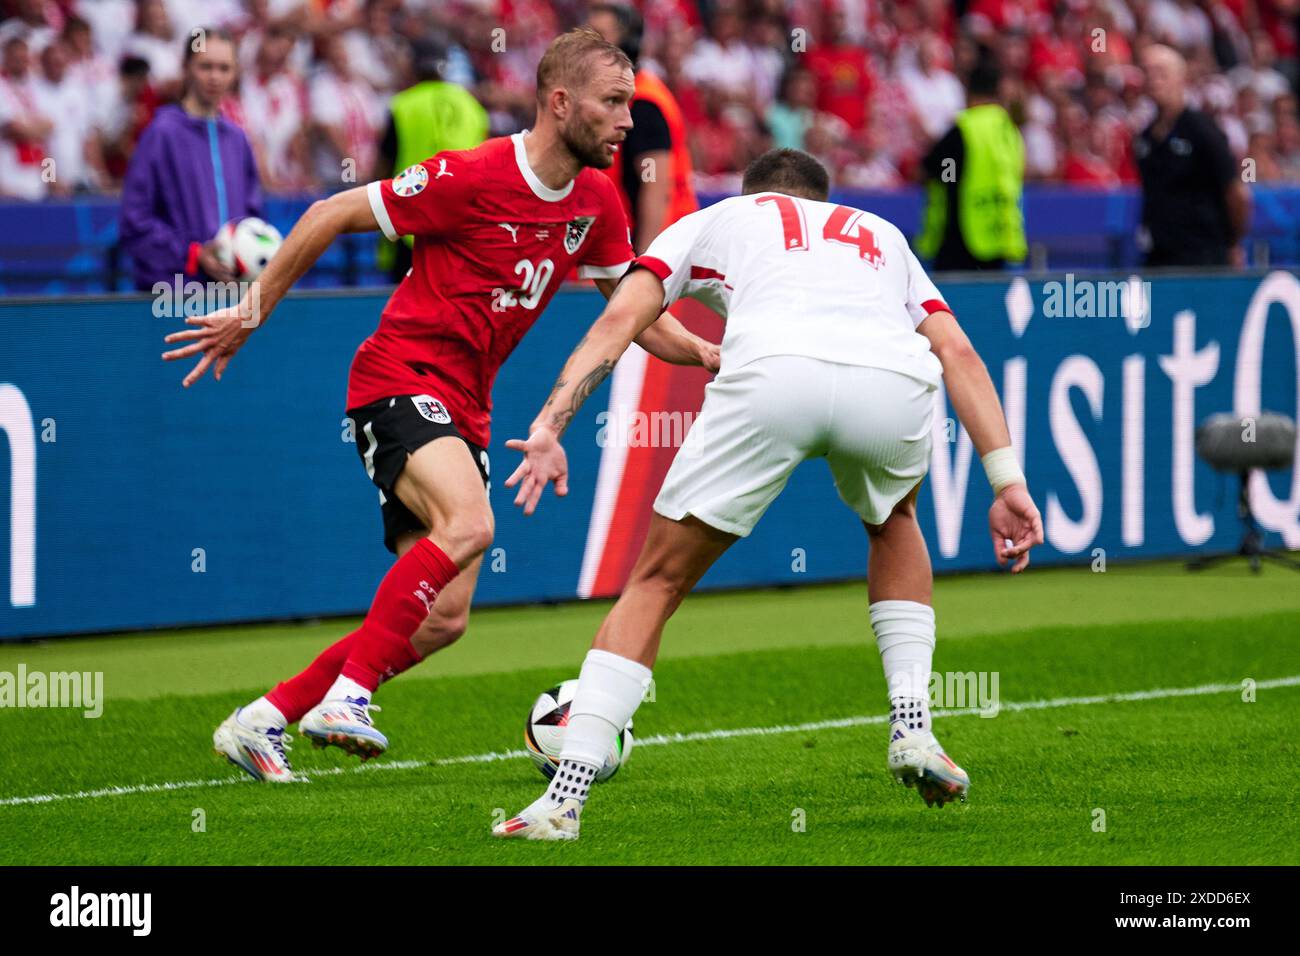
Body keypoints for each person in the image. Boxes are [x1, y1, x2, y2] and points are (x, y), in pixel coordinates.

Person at [161, 28, 719, 783]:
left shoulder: (595, 200)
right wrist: (247, 315)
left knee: (442, 619)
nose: (629, 120)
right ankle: (348, 699)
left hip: (467, 407)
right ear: (560, 103)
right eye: (614, 102)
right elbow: (328, 213)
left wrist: (713, 356)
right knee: (472, 524)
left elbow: (635, 312)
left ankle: (262, 720)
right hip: (398, 376)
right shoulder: (469, 175)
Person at [493, 149, 1044, 841]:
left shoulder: (714, 218)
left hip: (773, 376)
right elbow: (958, 352)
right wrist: (1006, 481)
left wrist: (549, 424)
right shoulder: (880, 234)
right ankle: (914, 730)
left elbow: (619, 321)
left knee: (659, 580)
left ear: (756, 192)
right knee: (894, 519)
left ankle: (564, 799)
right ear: (823, 197)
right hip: (891, 382)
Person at [119, 27, 261, 290]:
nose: (215, 77)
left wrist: (246, 254)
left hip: (231, 296)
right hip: (171, 295)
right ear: (186, 68)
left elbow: (252, 216)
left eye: (224, 68)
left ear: (235, 72)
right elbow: (134, 220)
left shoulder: (237, 139)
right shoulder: (161, 132)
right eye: (205, 66)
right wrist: (193, 254)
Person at [373, 34, 488, 281]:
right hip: (461, 225)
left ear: (414, 64)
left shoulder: (403, 104)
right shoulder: (471, 105)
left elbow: (383, 166)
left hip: (408, 221)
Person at [1134, 44, 1249, 267]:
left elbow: (1236, 193)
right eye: (1147, 72)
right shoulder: (1145, 138)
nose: (1153, 80)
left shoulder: (1202, 130)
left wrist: (1233, 242)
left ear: (1181, 78)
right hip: (1159, 256)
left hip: (1203, 255)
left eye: (1161, 73)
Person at [915, 56, 1026, 272]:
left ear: (968, 89)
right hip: (1000, 236)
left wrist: (948, 175)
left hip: (961, 240)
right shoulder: (1009, 131)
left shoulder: (964, 129)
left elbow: (936, 171)